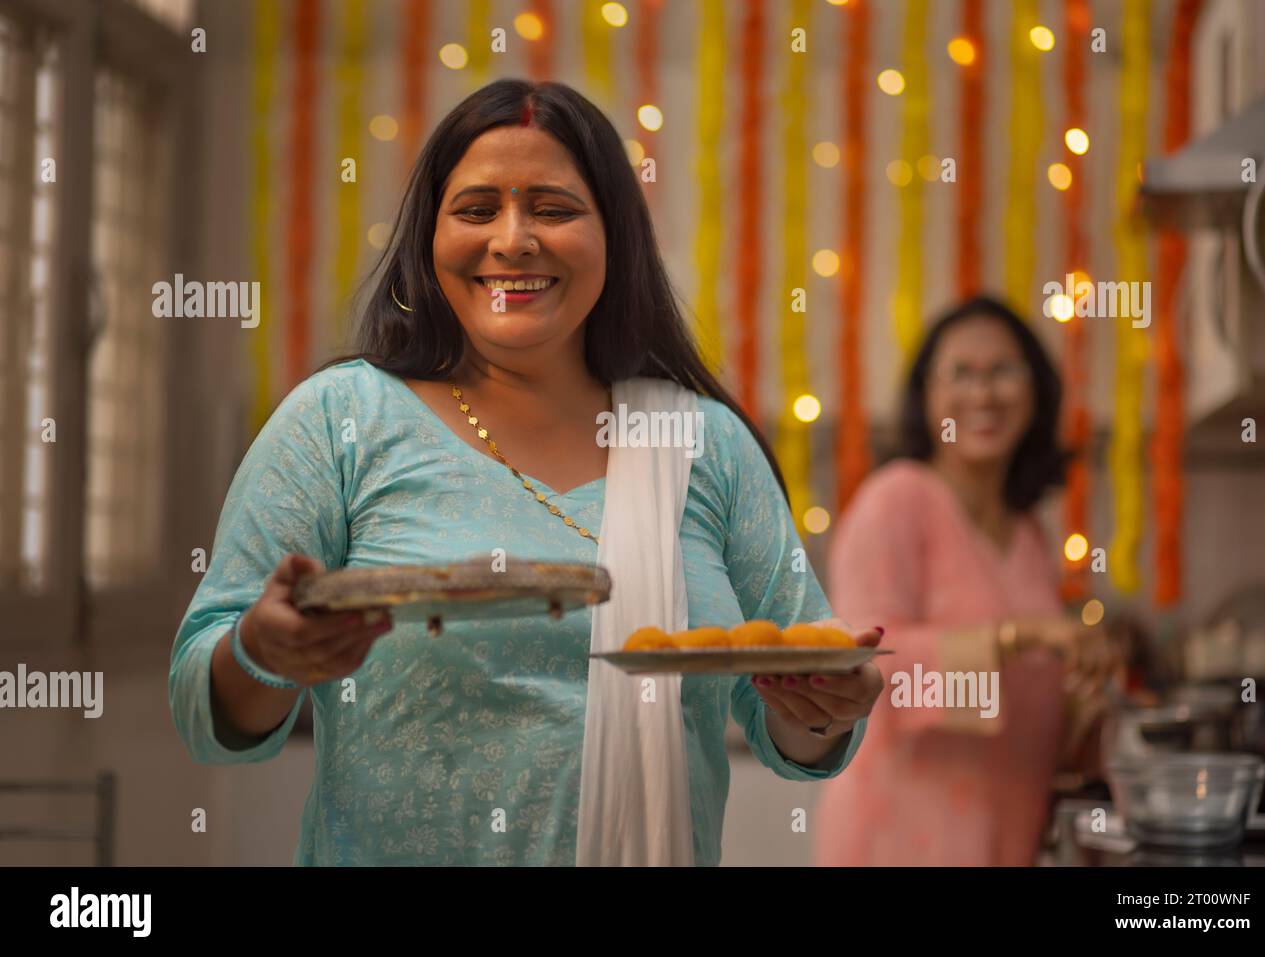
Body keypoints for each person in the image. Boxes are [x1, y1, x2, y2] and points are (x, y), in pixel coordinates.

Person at [168, 79, 883, 866]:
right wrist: (263, 654)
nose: (512, 241)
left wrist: (824, 709)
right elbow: (206, 712)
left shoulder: (698, 442)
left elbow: (796, 705)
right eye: (476, 210)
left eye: (552, 208)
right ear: (428, 237)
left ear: (615, 235)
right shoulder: (339, 422)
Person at [813, 296, 1116, 867]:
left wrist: (1080, 705)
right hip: (900, 841)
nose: (983, 394)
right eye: (961, 373)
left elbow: (1021, 697)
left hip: (1007, 835)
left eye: (1003, 371)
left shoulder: (1028, 533)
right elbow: (865, 671)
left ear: (1036, 392)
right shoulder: (895, 500)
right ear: (926, 396)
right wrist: (1022, 635)